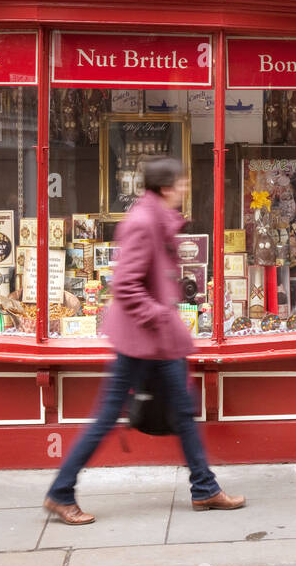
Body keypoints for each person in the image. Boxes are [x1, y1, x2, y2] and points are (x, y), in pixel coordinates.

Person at [44, 157, 245, 524]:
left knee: (183, 412)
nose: (186, 188)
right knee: (106, 417)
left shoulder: (156, 218)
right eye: (182, 183)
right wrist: (161, 315)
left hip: (158, 339)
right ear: (166, 187)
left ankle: (204, 487)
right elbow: (125, 285)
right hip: (140, 340)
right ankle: (60, 492)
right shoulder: (142, 222)